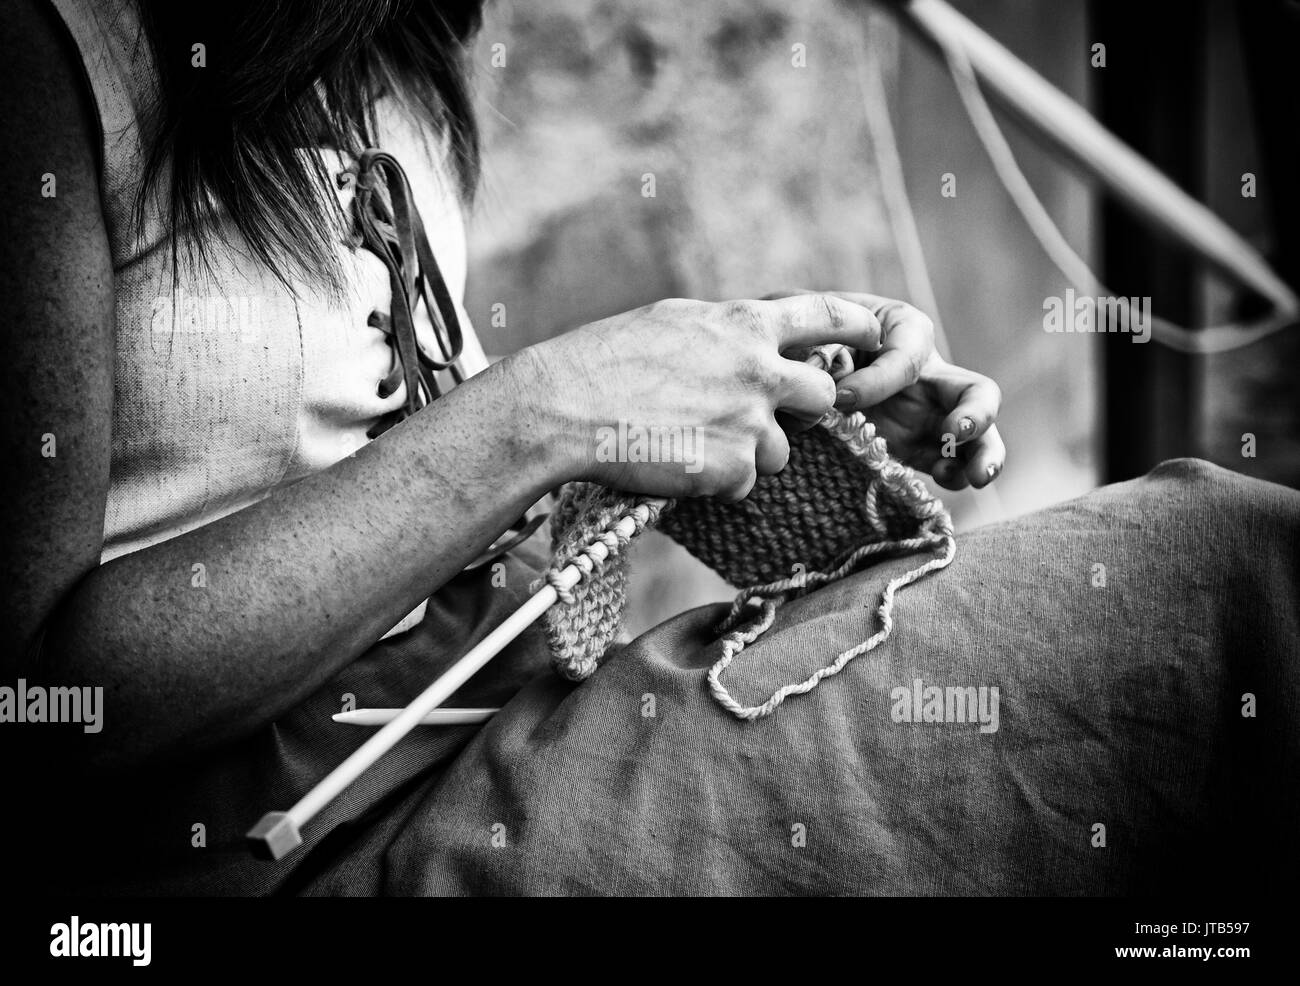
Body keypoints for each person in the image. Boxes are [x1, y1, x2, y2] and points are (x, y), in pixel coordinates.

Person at [2, 0, 1294, 896]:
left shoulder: (381, 51)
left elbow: (386, 466)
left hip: (505, 734)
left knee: (1229, 558)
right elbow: (28, 702)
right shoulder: (51, 61)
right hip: (294, 853)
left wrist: (748, 409)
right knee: (1222, 572)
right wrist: (548, 409)